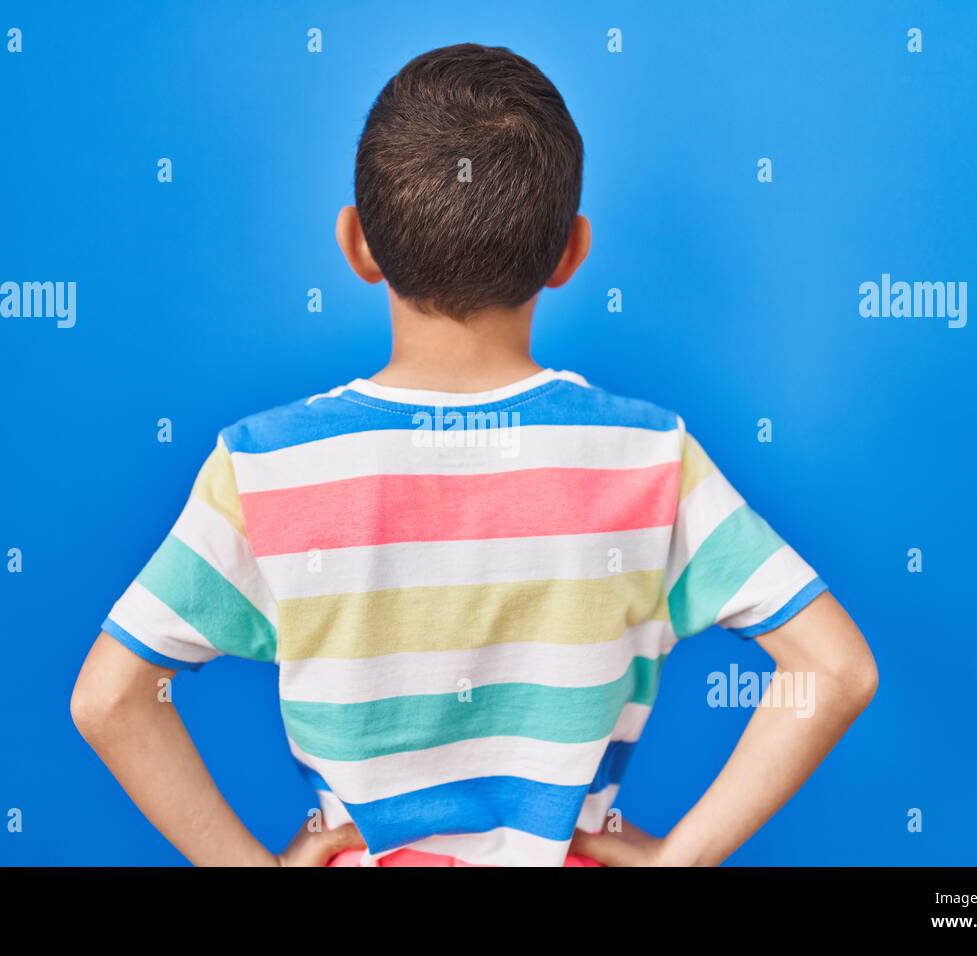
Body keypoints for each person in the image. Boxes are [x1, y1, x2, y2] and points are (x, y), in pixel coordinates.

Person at [70, 43, 878, 867]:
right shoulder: (648, 458)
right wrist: (680, 862)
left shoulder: (265, 468)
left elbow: (109, 700)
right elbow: (837, 670)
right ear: (570, 252)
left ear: (357, 245)